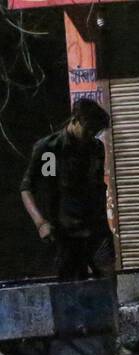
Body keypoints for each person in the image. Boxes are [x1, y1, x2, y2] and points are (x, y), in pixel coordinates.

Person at [20, 98, 114, 280]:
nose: (92, 134)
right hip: (64, 234)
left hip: (94, 232)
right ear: (75, 120)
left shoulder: (95, 148)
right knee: (69, 285)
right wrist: (41, 223)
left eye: (96, 131)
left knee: (105, 282)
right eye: (88, 129)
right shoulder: (51, 149)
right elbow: (28, 188)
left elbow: (97, 187)